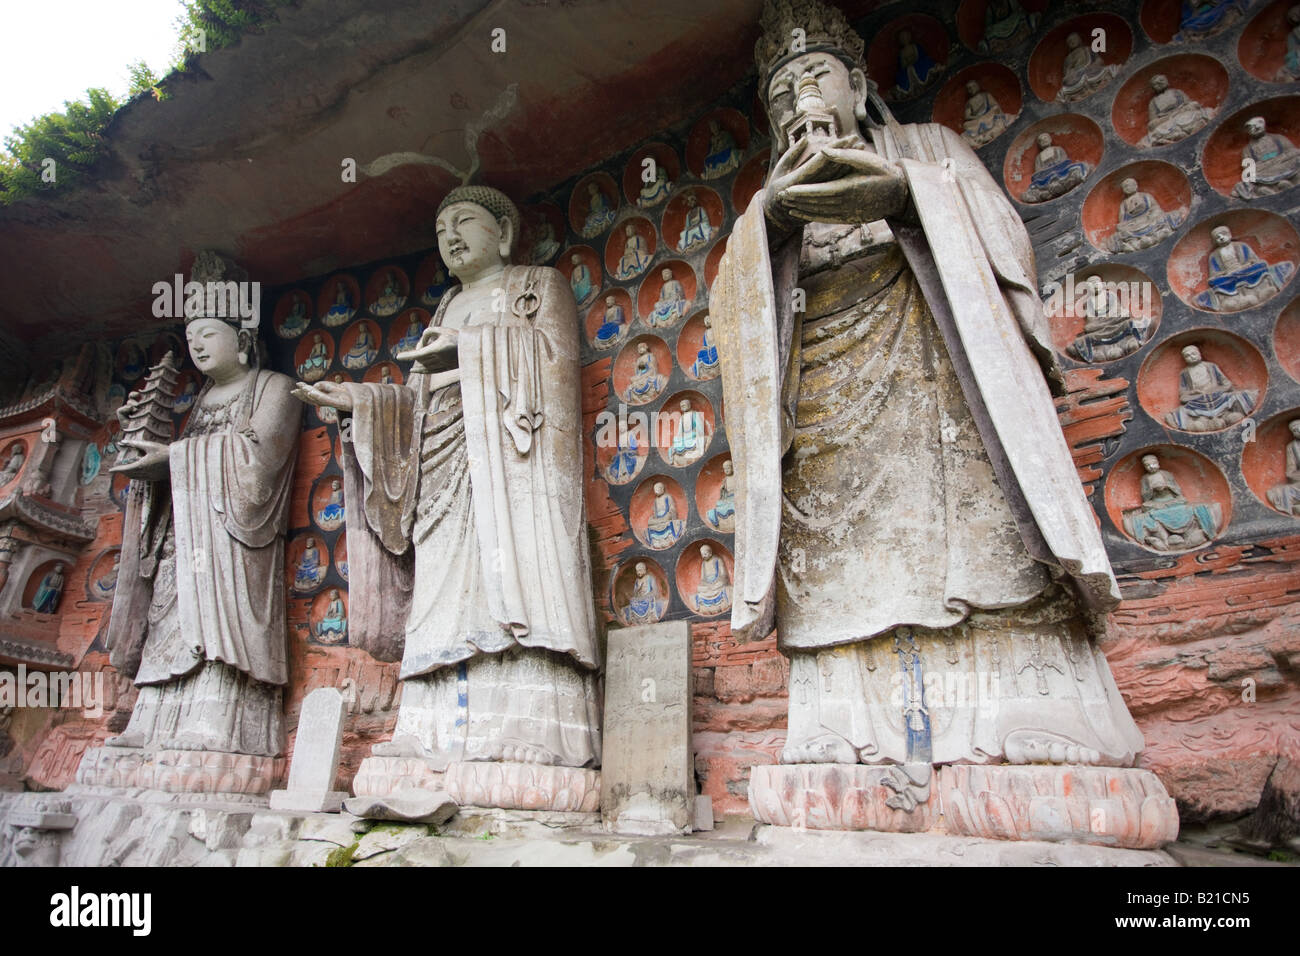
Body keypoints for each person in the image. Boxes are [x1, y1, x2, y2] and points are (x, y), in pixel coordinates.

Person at [714, 0, 1141, 794]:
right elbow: (737, 315)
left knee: (978, 536)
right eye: (780, 93)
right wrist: (771, 224)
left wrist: (907, 196)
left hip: (934, 368)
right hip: (825, 398)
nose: (799, 98)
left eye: (815, 76)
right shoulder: (772, 197)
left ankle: (1032, 715)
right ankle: (844, 728)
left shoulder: (926, 148)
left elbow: (1001, 246)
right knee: (836, 561)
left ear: (859, 80)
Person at [293, 184, 600, 771]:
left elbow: (557, 367)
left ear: (504, 233)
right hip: (442, 466)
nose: (451, 238)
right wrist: (360, 402)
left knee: (519, 581)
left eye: (465, 222)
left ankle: (532, 728)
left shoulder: (538, 285)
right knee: (441, 595)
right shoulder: (445, 308)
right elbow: (415, 403)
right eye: (441, 231)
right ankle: (429, 729)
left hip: (516, 469)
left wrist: (473, 351)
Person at [104, 262, 299, 758]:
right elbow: (181, 467)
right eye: (191, 336)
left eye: (209, 332)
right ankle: (151, 720)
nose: (198, 345)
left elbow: (260, 461)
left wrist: (174, 457)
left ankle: (218, 718)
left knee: (219, 626)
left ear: (243, 338)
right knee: (169, 618)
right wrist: (147, 454)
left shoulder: (273, 387)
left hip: (235, 540)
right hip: (183, 535)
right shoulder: (199, 403)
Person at [1197, 226, 1294, 312]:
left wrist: (1245, 266)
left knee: (1261, 266)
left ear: (1229, 234)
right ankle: (1235, 299)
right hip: (1230, 277)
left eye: (1223, 234)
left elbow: (1254, 261)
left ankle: (1261, 290)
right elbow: (1213, 275)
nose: (1221, 238)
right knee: (1215, 282)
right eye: (1218, 237)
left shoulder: (1241, 246)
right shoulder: (1214, 256)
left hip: (1246, 272)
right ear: (1215, 241)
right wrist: (1225, 273)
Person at [1164, 345, 1257, 432]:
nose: (1191, 357)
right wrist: (1194, 392)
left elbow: (1227, 384)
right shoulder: (1184, 373)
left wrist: (1215, 390)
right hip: (1198, 400)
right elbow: (1182, 394)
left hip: (1218, 397)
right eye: (1187, 356)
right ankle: (1201, 422)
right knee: (1179, 411)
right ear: (1185, 359)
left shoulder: (1211, 366)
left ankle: (1226, 416)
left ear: (1199, 354)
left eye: (1193, 354)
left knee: (1241, 396)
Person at [1233, 117, 1300, 200]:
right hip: (1265, 173)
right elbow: (1249, 169)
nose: (1256, 128)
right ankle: (1269, 190)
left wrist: (1280, 158)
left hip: (1286, 166)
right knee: (1250, 179)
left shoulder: (1278, 138)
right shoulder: (1247, 150)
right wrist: (1269, 163)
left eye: (1258, 125)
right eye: (1251, 127)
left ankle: (1289, 184)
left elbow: (1294, 151)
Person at [1109, 178, 1182, 253]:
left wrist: (1151, 216)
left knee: (1167, 216)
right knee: (1120, 232)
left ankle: (1144, 241)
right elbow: (1122, 220)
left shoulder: (1145, 196)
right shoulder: (1124, 204)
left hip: (1149, 219)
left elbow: (1155, 208)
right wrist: (1128, 223)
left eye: (1129, 185)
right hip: (1134, 224)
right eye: (1125, 187)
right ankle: (1139, 241)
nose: (1127, 188)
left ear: (1136, 186)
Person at [1140, 74, 1212, 148]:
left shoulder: (1177, 92)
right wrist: (1169, 117)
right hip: (1167, 122)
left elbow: (1189, 104)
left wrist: (1182, 110)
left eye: (1161, 80)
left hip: (1184, 115)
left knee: (1195, 105)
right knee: (1155, 130)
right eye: (1155, 84)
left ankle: (1187, 129)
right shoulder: (1153, 102)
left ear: (1167, 82)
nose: (1159, 84)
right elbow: (1152, 123)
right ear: (1153, 88)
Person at [960, 80, 1008, 148]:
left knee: (995, 111)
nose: (972, 89)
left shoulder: (986, 95)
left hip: (988, 115)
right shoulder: (969, 102)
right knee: (966, 125)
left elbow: (994, 105)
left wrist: (992, 111)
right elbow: (967, 116)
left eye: (973, 86)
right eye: (969, 88)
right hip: (977, 119)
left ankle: (987, 134)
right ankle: (981, 136)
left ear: (977, 86)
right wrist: (977, 117)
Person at [1267, 420, 1300, 515]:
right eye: (1294, 430)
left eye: (1298, 428)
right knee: (1282, 491)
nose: (1297, 430)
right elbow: (1290, 472)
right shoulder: (1292, 447)